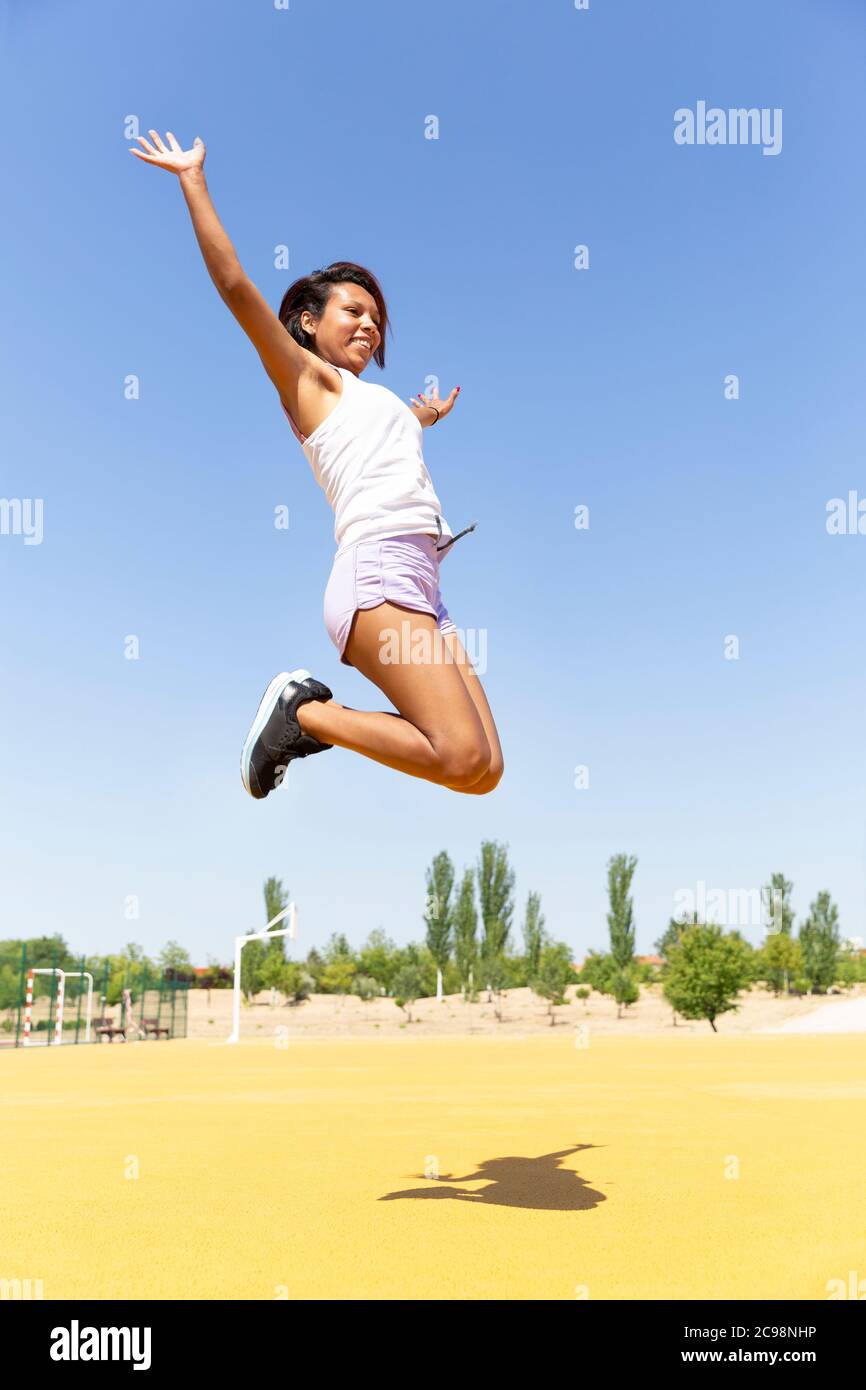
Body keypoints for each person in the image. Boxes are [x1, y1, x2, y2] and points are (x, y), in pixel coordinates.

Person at [130, 129, 503, 799]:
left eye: (379, 320)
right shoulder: (309, 381)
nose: (371, 326)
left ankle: (308, 718)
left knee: (483, 769)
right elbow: (237, 285)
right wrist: (192, 180)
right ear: (307, 321)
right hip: (378, 571)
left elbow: (368, 444)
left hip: (424, 587)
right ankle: (302, 713)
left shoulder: (368, 400)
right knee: (455, 751)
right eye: (354, 311)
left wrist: (419, 420)